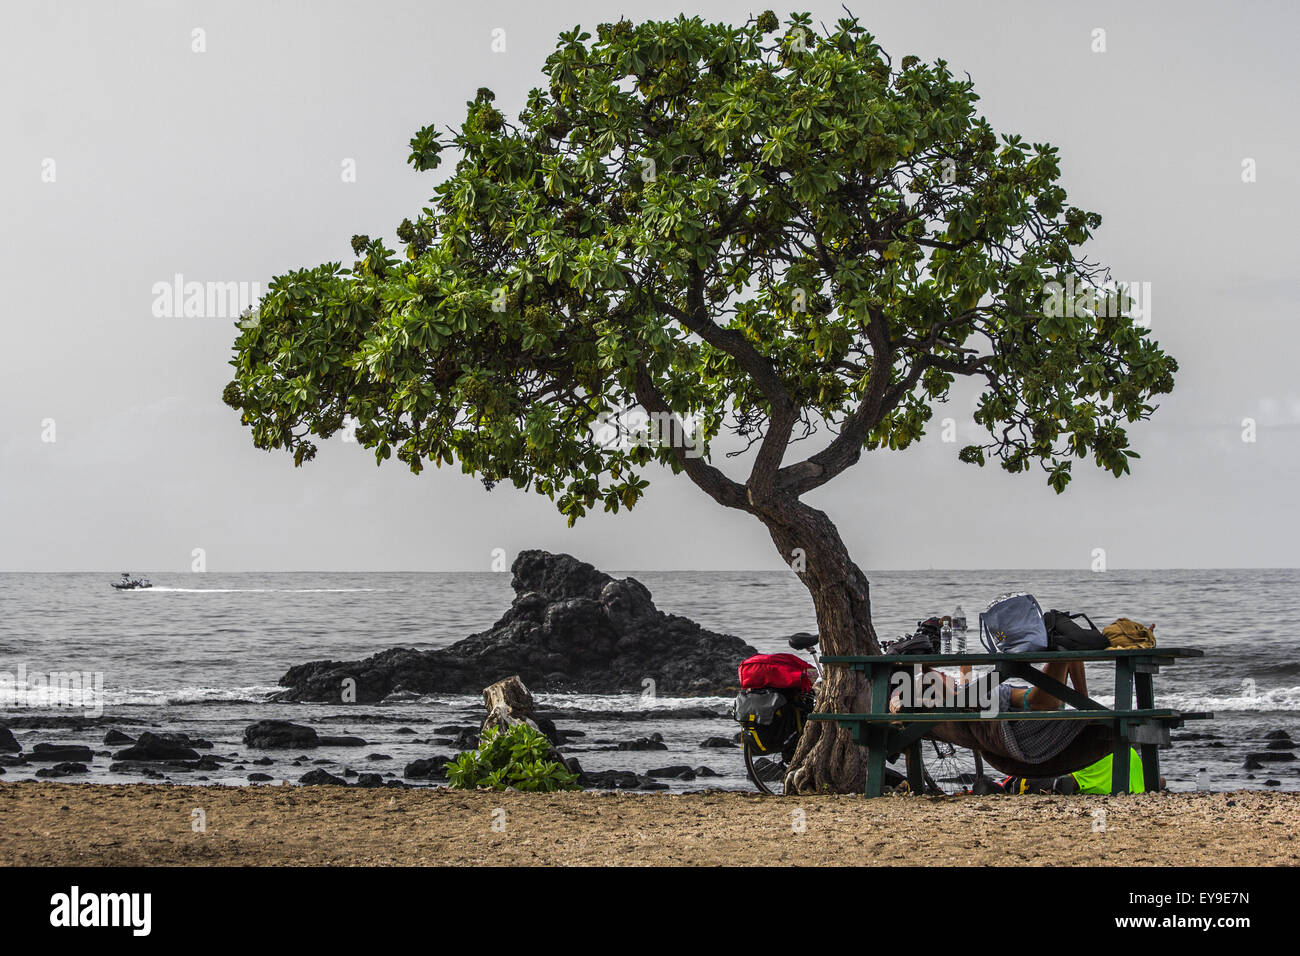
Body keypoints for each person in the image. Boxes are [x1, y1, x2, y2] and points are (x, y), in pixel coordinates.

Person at [999, 748, 1162, 794]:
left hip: (1102, 757)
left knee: (1067, 781)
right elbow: (1159, 781)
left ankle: (1004, 785)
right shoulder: (1133, 759)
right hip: (1122, 754)